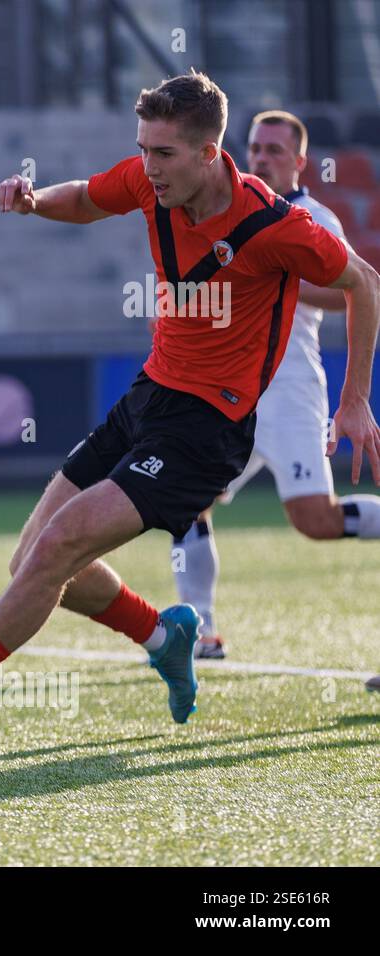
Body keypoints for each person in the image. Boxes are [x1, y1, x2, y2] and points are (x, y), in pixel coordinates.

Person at [0, 71, 380, 747]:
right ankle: (162, 635)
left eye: (164, 154)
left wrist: (354, 397)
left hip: (206, 430)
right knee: (32, 557)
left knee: (59, 544)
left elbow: (364, 282)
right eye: (144, 150)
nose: (148, 169)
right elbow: (87, 200)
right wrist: (35, 202)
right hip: (148, 398)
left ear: (210, 153)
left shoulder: (275, 225)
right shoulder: (151, 184)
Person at [164, 110, 380, 662]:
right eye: (256, 148)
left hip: (287, 391)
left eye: (275, 151)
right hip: (228, 392)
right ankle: (201, 632)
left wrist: (275, 273)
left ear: (300, 162)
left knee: (315, 519)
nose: (260, 158)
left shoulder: (312, 217)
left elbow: (355, 290)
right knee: (185, 500)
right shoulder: (228, 211)